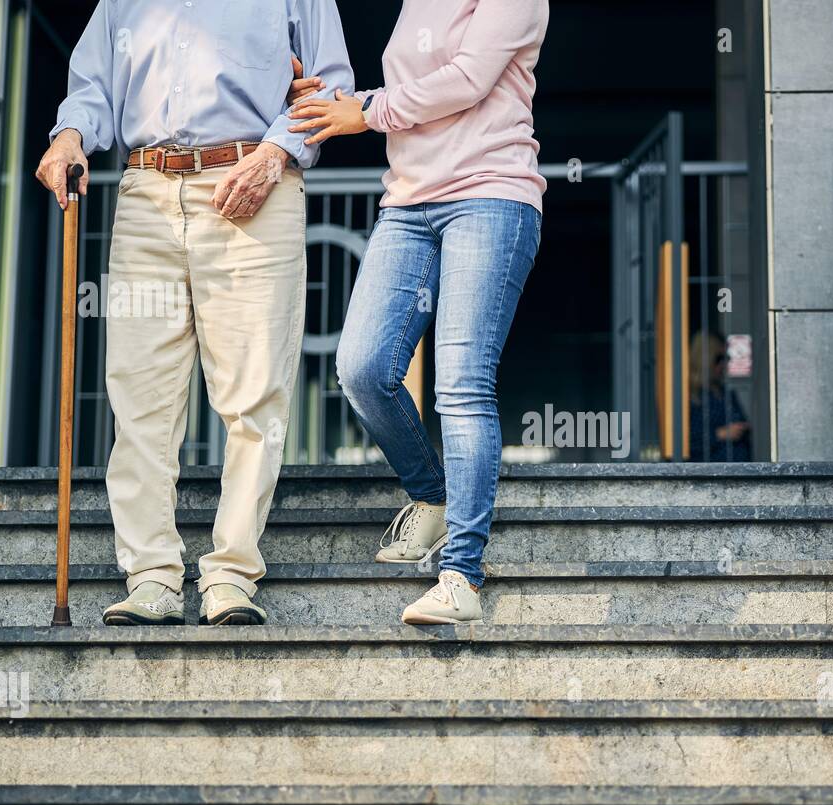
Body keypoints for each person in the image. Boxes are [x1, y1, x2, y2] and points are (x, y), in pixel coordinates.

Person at [35, 0, 353, 626]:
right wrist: (69, 135)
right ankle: (151, 576)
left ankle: (231, 575)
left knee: (255, 395)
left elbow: (332, 87)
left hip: (255, 186)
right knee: (139, 397)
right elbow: (92, 85)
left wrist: (276, 152)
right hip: (146, 194)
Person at [287, 0, 549, 625]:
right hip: (408, 203)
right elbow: (407, 89)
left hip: (490, 194)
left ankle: (462, 575)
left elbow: (466, 80)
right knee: (362, 367)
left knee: (461, 384)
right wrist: (330, 102)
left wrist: (365, 112)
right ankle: (432, 498)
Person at [689, 331, 753, 462]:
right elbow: (684, 442)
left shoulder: (726, 393)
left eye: (726, 358)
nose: (723, 364)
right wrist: (719, 434)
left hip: (738, 467)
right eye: (719, 359)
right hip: (707, 470)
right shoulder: (689, 396)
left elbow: (742, 425)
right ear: (704, 359)